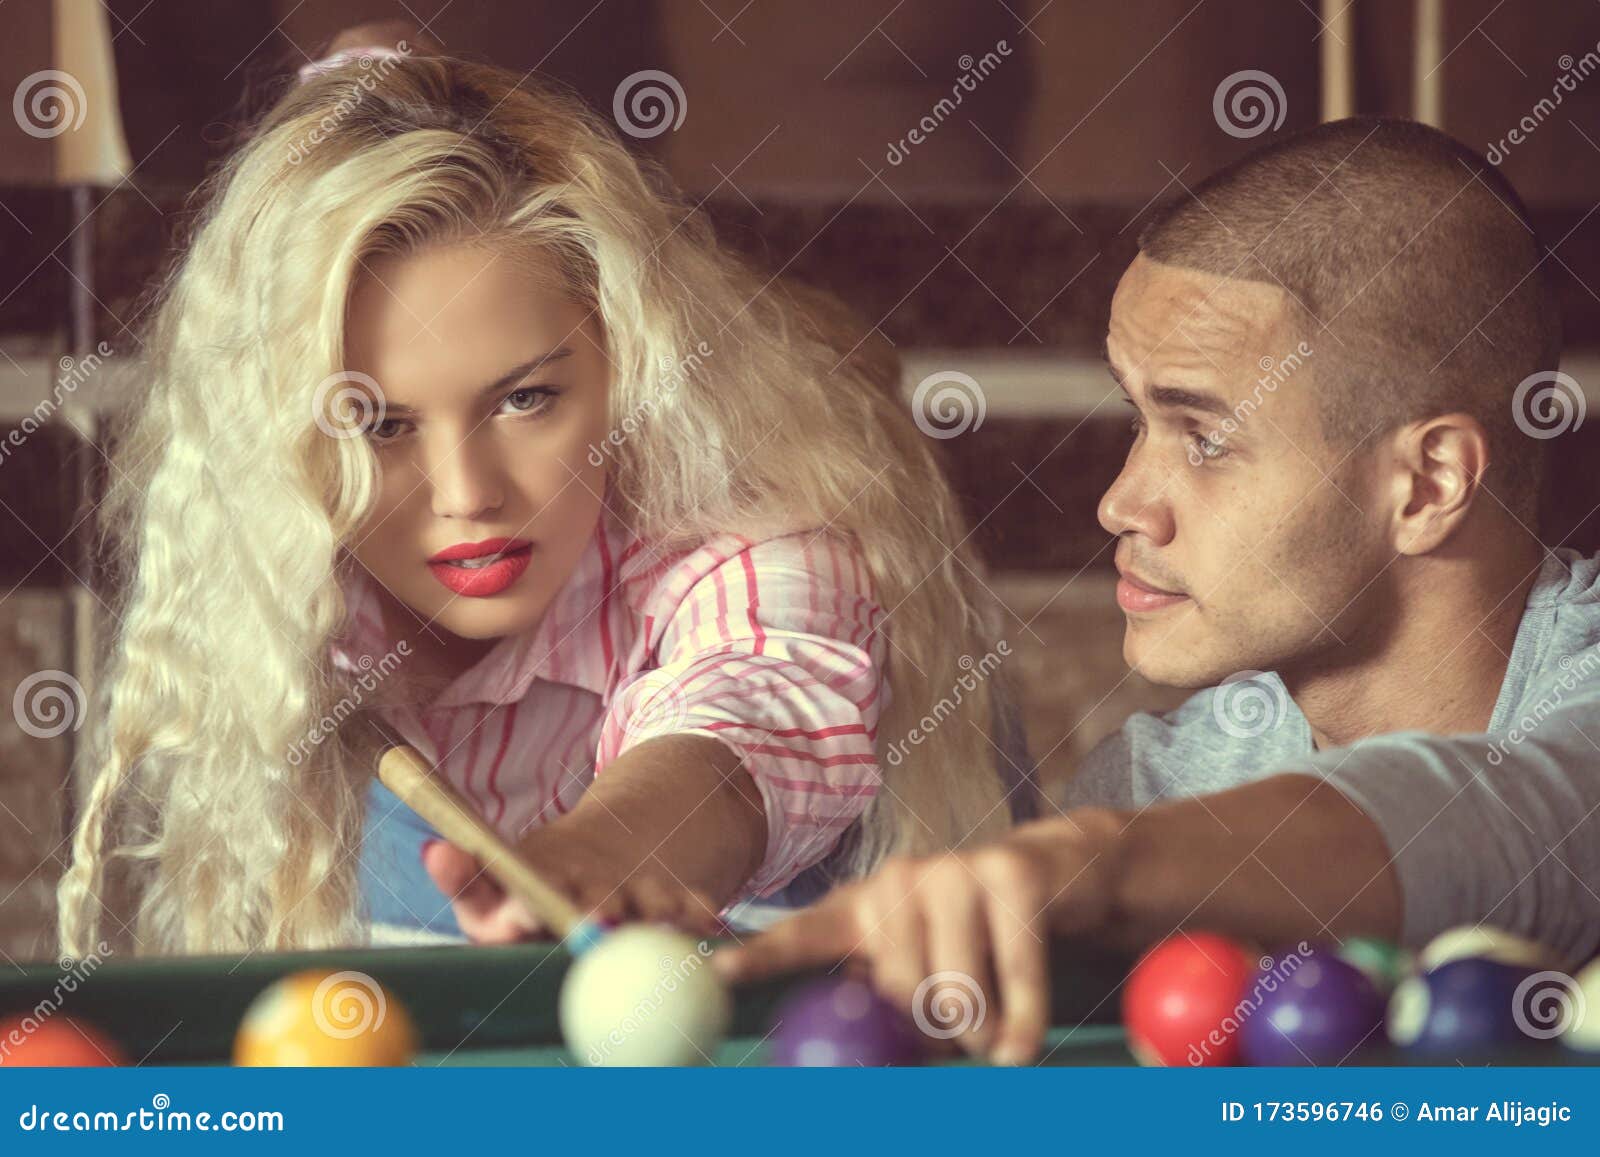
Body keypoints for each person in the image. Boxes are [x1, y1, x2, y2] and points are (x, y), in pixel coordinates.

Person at [54, 53, 1026, 957]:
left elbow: (748, 713)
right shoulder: (283, 593)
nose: (469, 494)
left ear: (623, 363)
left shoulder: (756, 538)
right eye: (379, 425)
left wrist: (600, 854)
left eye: (525, 399)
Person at [717, 116, 1600, 1063]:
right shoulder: (1151, 789)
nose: (1120, 503)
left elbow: (1518, 820)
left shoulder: (1128, 848)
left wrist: (1097, 861)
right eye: (1139, 420)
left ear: (1425, 485)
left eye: (1206, 438)